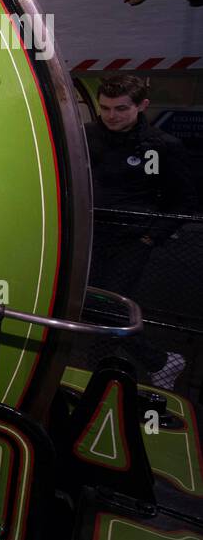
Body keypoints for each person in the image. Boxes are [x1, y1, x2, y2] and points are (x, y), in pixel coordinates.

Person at [84, 74, 196, 389]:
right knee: (94, 303)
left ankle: (154, 362)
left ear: (142, 105)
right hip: (92, 235)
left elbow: (184, 200)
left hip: (132, 240)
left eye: (120, 108)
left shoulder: (162, 146)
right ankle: (115, 370)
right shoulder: (88, 136)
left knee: (107, 304)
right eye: (105, 108)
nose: (111, 116)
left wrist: (151, 236)